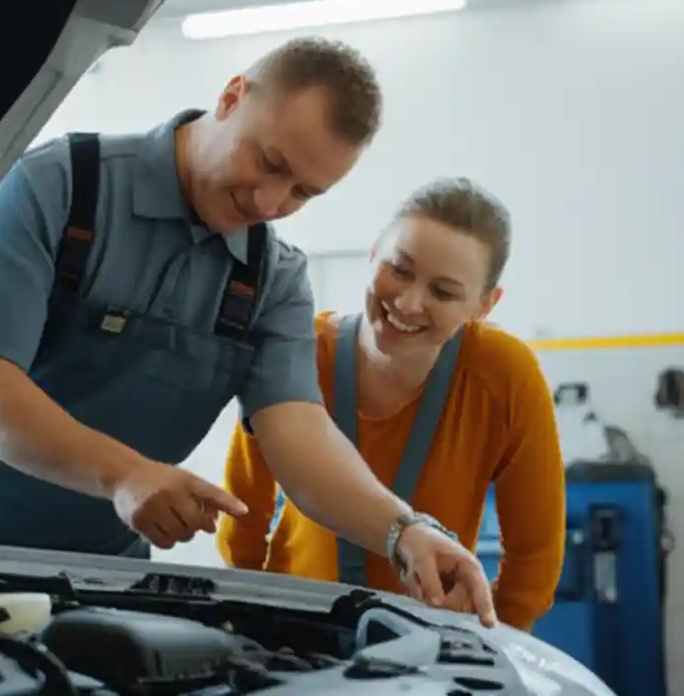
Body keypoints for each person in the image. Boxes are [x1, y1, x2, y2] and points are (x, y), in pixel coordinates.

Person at [0, 37, 498, 626]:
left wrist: (403, 531)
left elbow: (299, 436)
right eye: (269, 163)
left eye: (304, 192)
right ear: (231, 97)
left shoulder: (274, 280)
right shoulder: (60, 188)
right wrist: (125, 475)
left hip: (92, 583)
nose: (271, 205)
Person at [217, 177, 565, 631]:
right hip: (295, 628)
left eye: (443, 292)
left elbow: (535, 555)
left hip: (430, 639)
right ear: (375, 250)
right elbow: (243, 510)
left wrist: (491, 645)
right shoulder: (303, 350)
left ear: (485, 304)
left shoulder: (505, 376)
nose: (409, 301)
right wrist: (248, 620)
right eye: (399, 269)